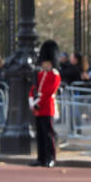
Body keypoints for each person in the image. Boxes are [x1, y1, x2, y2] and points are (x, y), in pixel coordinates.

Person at [29, 40, 61, 168]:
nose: (43, 64)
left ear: (51, 62)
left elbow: (49, 92)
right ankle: (41, 158)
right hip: (38, 108)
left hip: (47, 107)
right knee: (40, 134)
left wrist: (37, 102)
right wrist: (31, 100)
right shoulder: (41, 74)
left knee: (48, 134)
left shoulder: (55, 75)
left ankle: (51, 158)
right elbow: (34, 88)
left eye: (45, 62)